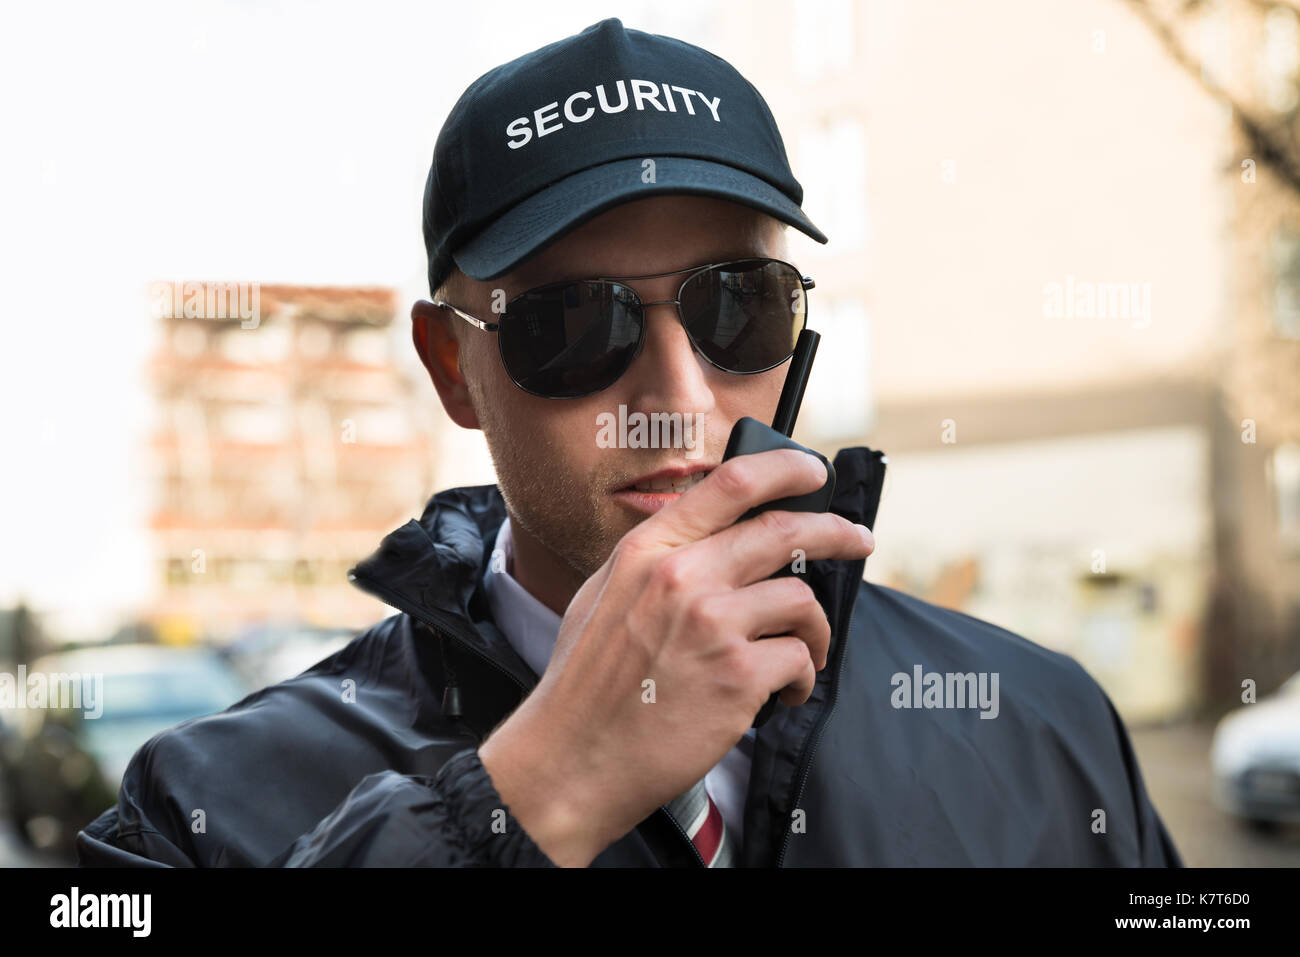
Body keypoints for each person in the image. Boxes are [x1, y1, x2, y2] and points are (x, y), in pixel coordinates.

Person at [76, 17, 1181, 867]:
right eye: (572, 326)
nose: (676, 392)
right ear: (453, 366)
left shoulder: (1039, 718)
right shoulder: (206, 798)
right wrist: (519, 803)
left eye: (737, 306)